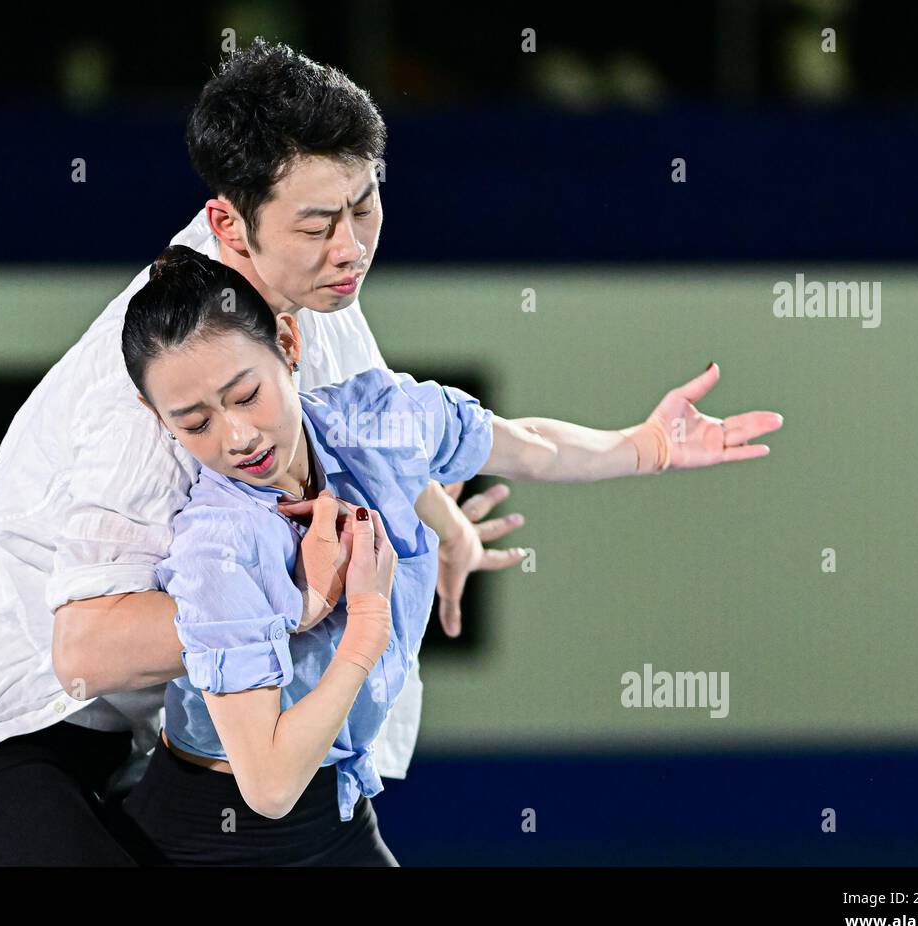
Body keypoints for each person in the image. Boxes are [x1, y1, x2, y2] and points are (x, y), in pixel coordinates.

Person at [0, 39, 524, 865]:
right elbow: (84, 650)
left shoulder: (306, 285)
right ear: (228, 224)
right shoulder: (151, 381)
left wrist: (443, 523)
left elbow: (357, 426)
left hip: (130, 744)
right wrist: (297, 598)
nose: (350, 246)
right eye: (318, 224)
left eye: (364, 204)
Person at [115, 245, 785, 865]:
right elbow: (268, 786)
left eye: (246, 395)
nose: (236, 436)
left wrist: (647, 447)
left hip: (338, 808)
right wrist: (365, 629)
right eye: (195, 422)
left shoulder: (374, 420)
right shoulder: (218, 545)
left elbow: (526, 446)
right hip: (209, 836)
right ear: (158, 416)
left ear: (287, 345)